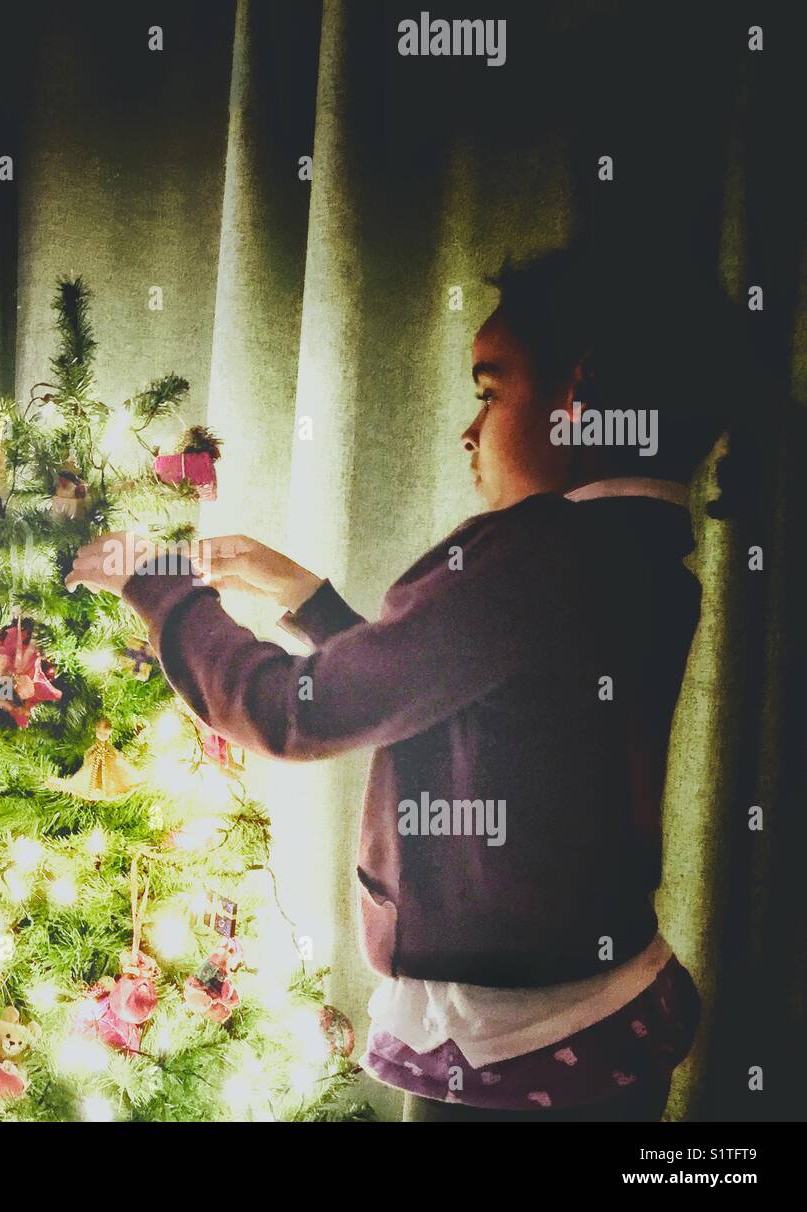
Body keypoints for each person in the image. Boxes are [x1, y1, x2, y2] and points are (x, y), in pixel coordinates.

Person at [66, 242, 758, 1121]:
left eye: (489, 389)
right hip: (608, 1009)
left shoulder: (524, 557)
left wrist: (155, 587)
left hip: (509, 1039)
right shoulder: (646, 557)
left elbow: (289, 714)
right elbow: (467, 700)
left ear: (578, 397)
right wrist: (310, 603)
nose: (471, 433)